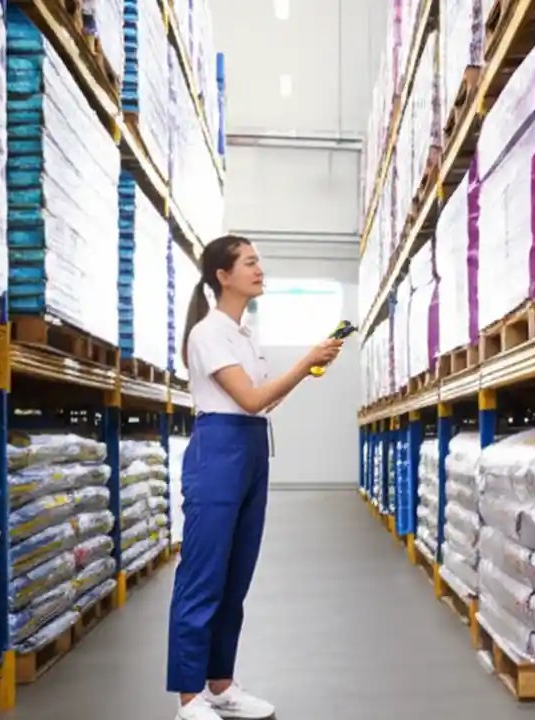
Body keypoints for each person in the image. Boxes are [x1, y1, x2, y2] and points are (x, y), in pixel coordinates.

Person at [168, 235, 343, 720]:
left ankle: (221, 685)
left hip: (249, 449)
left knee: (235, 575)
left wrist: (307, 370)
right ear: (223, 276)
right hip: (218, 454)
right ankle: (188, 697)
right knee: (203, 577)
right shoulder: (208, 333)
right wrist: (304, 361)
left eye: (258, 261)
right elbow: (247, 399)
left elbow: (262, 399)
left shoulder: (244, 335)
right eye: (249, 262)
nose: (259, 269)